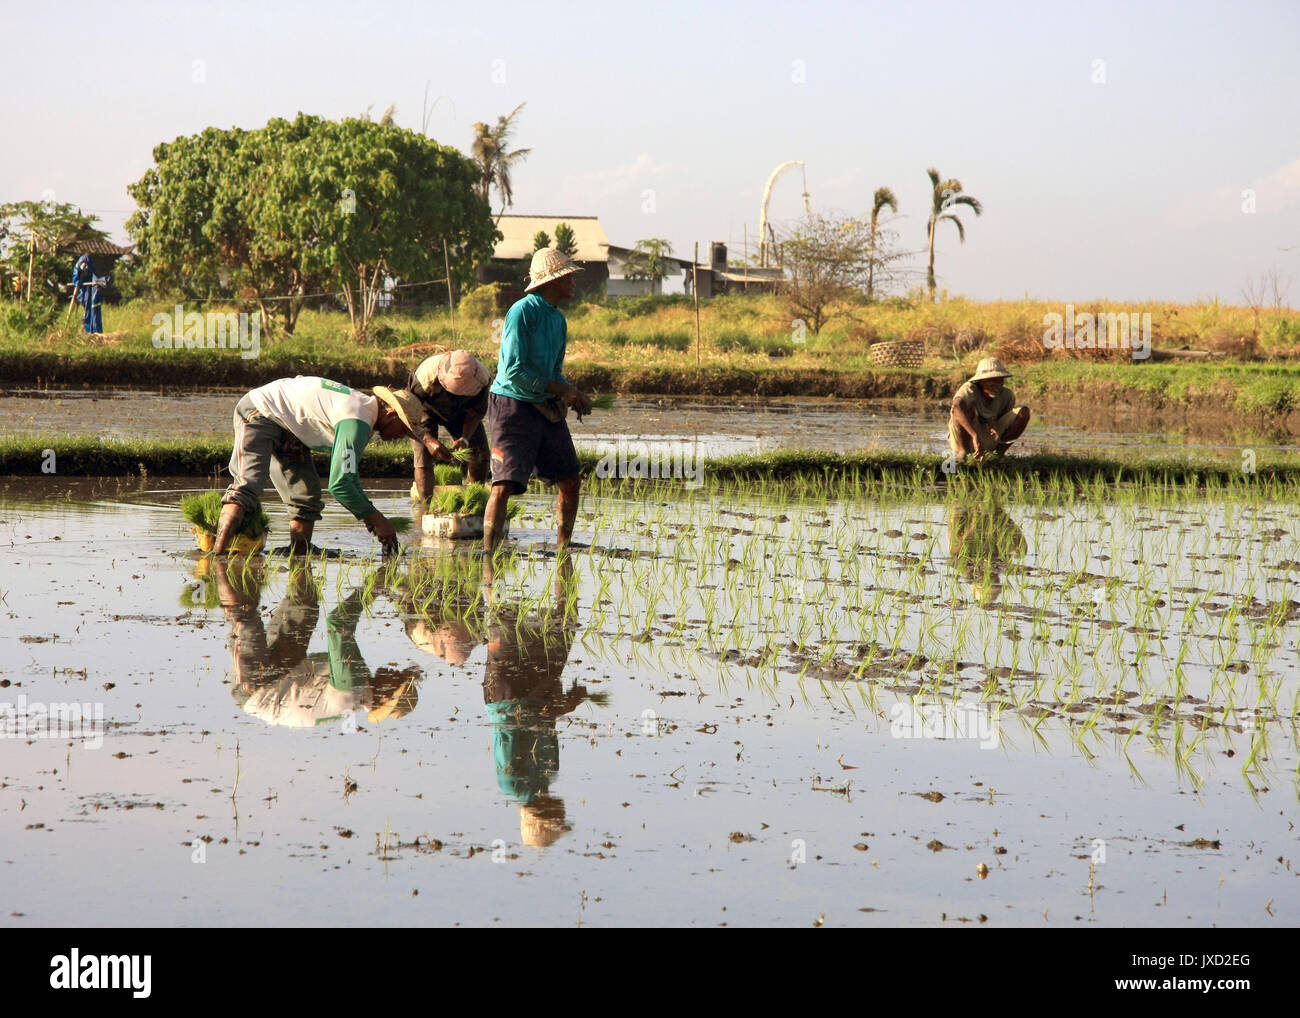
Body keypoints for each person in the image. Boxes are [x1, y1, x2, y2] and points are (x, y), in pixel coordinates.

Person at [213, 375, 422, 555]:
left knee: (306, 496)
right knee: (247, 486)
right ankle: (218, 556)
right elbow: (341, 485)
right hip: (261, 410)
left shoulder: (363, 413)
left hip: (290, 425)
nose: (401, 436)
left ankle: (300, 551)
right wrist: (378, 520)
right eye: (404, 430)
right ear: (392, 414)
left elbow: (350, 477)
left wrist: (370, 517)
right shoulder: (357, 419)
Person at [482, 249, 593, 552]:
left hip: (545, 406)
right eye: (568, 276)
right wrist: (561, 388)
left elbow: (554, 371)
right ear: (552, 281)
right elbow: (514, 371)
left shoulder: (559, 320)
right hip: (512, 405)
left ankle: (563, 549)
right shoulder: (522, 312)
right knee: (504, 484)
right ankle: (488, 554)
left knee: (570, 481)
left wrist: (572, 393)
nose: (573, 281)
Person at [406, 350, 491, 497]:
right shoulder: (424, 378)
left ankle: (475, 497)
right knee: (423, 456)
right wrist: (428, 440)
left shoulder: (482, 379)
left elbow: (476, 412)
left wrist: (464, 438)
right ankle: (425, 506)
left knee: (479, 452)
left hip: (461, 412)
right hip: (424, 410)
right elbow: (408, 416)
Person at [948, 357, 1030, 463]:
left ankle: (998, 454)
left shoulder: (1007, 395)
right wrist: (974, 435)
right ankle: (962, 452)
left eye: (1000, 380)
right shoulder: (969, 389)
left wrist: (992, 423)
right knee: (963, 408)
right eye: (993, 381)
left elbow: (1005, 423)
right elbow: (957, 407)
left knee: (1024, 412)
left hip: (989, 439)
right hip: (965, 439)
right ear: (982, 381)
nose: (998, 385)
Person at [72, 253, 104, 334]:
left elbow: (94, 277)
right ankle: (87, 329)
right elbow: (76, 279)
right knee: (87, 311)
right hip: (83, 291)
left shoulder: (92, 275)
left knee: (93, 312)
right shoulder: (79, 269)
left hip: (91, 291)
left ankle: (94, 330)